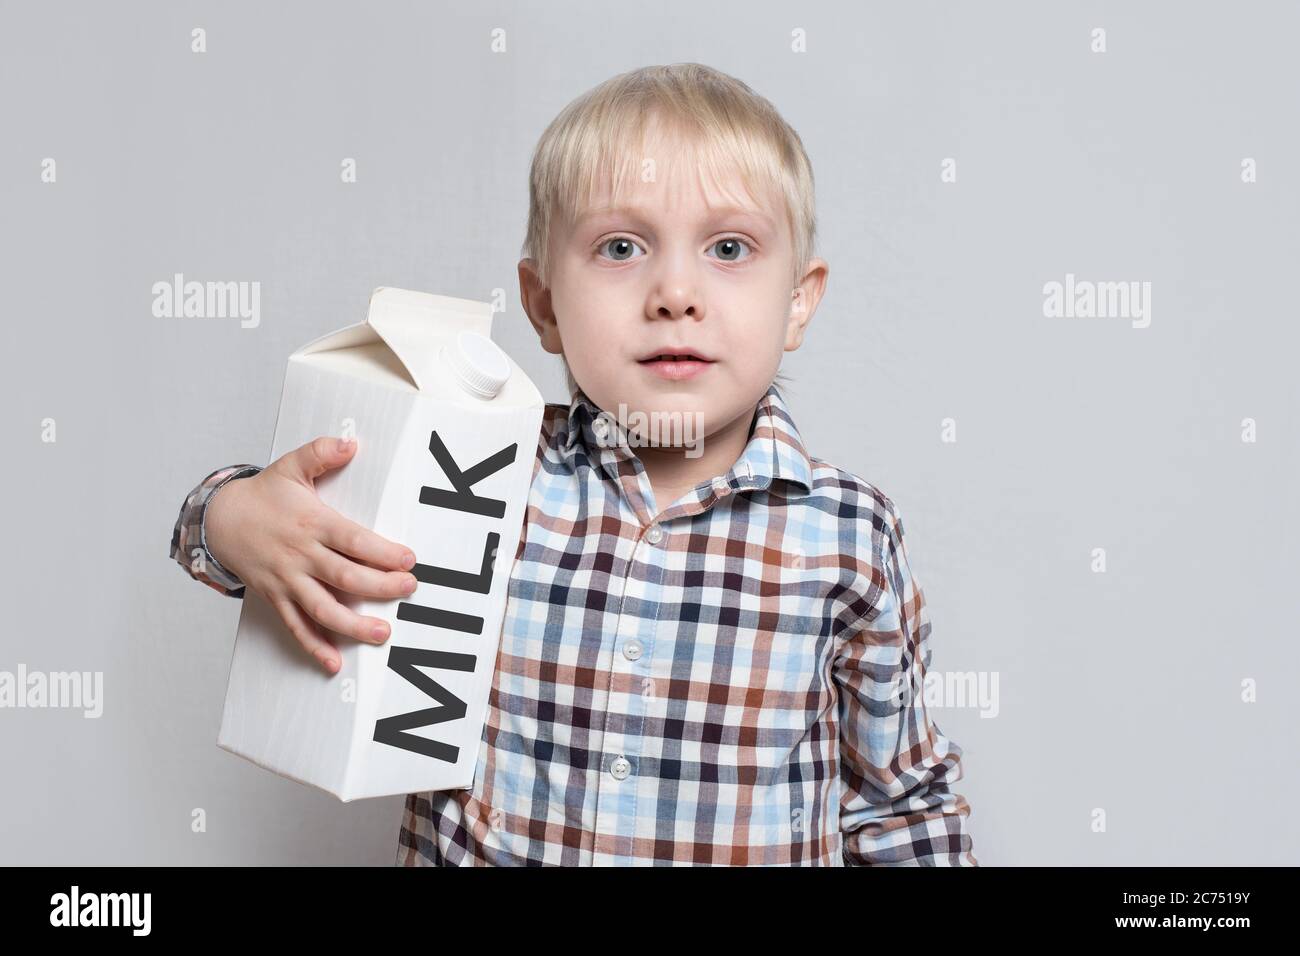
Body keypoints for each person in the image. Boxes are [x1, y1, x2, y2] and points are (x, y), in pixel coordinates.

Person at [171, 62, 978, 866]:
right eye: (620, 246)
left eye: (728, 247)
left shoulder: (848, 534)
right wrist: (232, 518)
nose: (675, 292)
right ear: (544, 303)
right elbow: (225, 534)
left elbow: (902, 806)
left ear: (798, 300)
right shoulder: (476, 473)